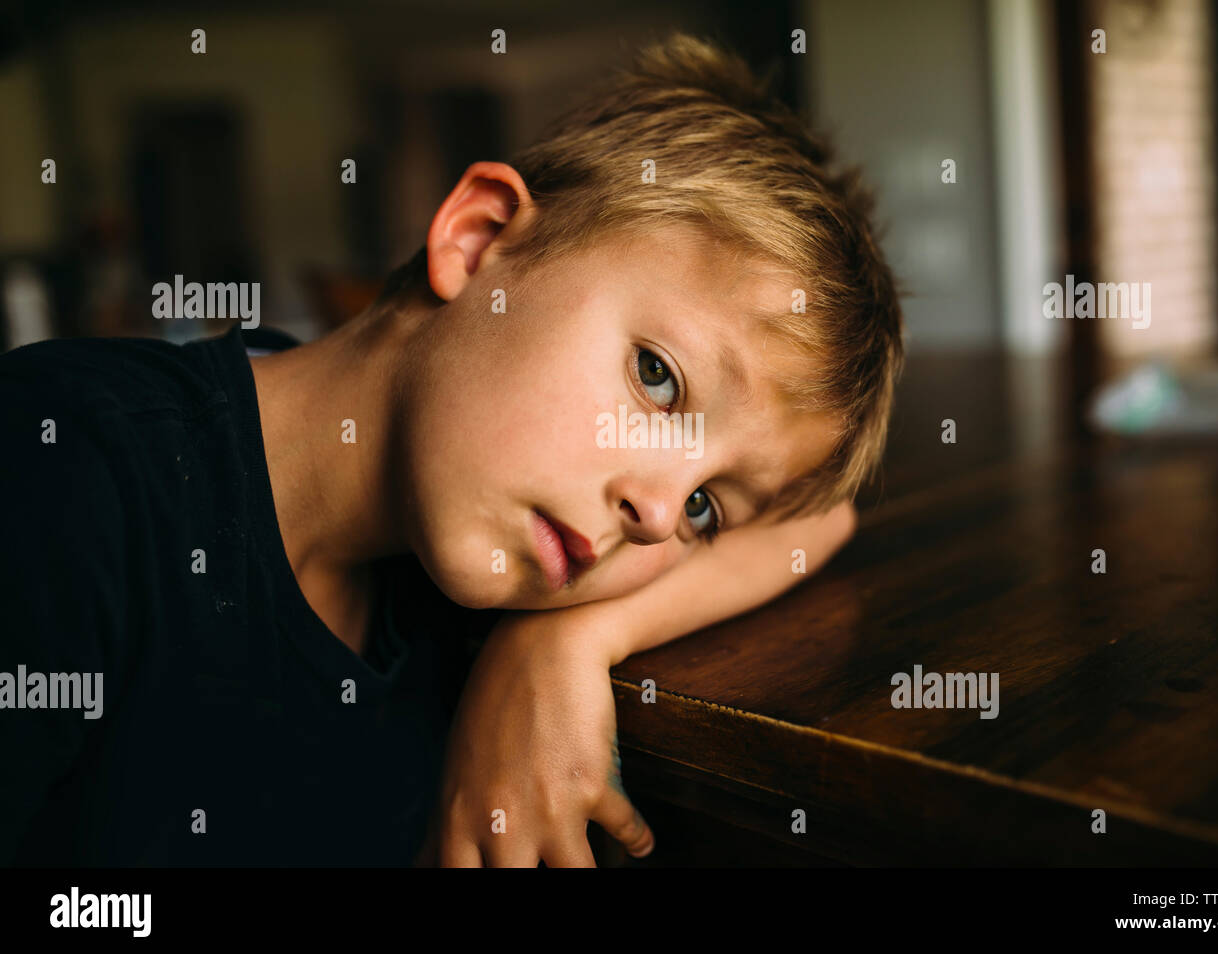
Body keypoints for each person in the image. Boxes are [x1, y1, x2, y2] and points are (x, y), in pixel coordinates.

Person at [0, 33, 903, 866]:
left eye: (707, 506)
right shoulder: (67, 471)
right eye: (658, 379)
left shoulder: (468, 567)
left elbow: (819, 516)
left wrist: (569, 643)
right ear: (477, 242)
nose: (661, 514)